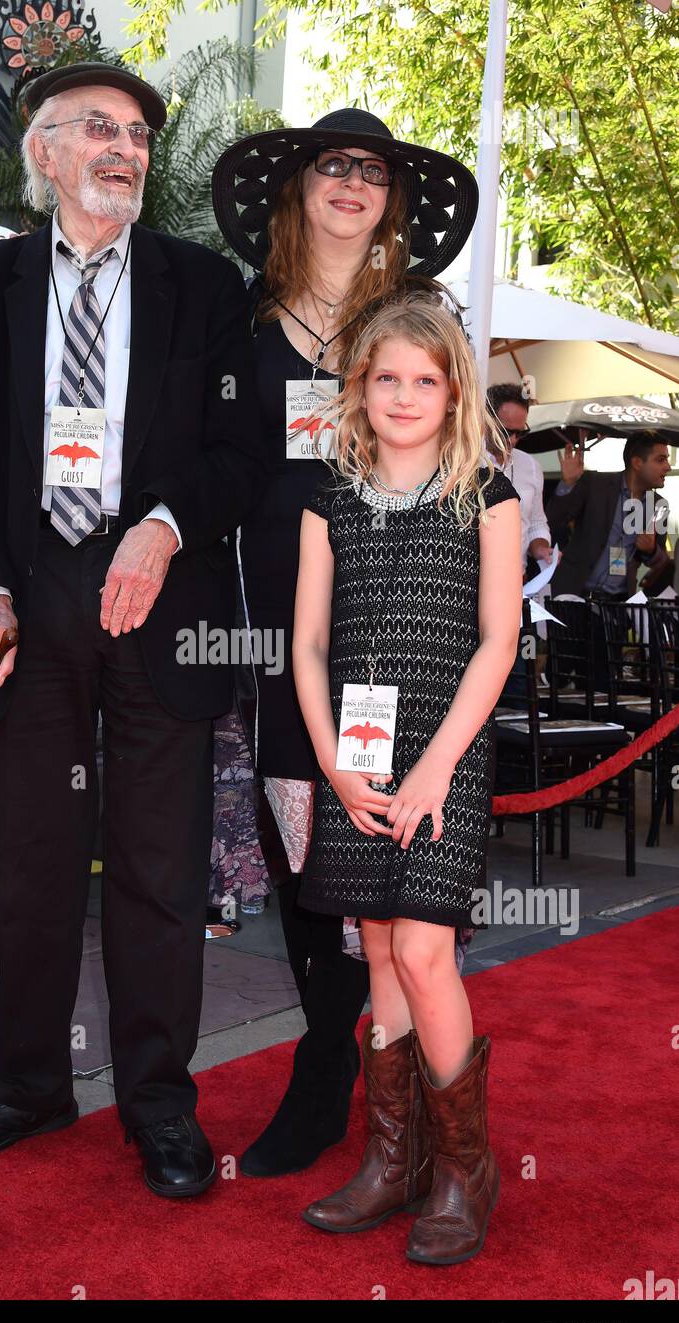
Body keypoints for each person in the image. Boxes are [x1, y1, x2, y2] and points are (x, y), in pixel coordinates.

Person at [0, 62, 264, 1197]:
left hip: (156, 596)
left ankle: (159, 1099)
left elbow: (240, 453)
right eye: (99, 130)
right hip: (27, 603)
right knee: (32, 862)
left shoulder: (201, 286)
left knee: (159, 873)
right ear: (46, 152)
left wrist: (163, 528)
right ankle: (28, 1082)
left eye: (138, 135)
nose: (125, 149)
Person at [210, 108, 479, 1176]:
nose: (351, 182)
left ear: (389, 199)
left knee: (381, 872)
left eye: (371, 169)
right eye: (332, 163)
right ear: (298, 187)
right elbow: (216, 464)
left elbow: (469, 462)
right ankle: (326, 1071)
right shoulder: (243, 323)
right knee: (301, 855)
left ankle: (384, 1103)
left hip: (393, 631)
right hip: (284, 632)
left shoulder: (417, 317)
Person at [293, 297, 521, 1263]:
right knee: (379, 952)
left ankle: (466, 1171)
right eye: (385, 376)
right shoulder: (328, 492)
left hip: (449, 752)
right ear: (359, 387)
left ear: (453, 390)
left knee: (426, 952)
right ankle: (394, 1161)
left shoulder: (489, 490)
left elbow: (498, 642)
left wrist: (435, 765)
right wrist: (334, 763)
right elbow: (304, 644)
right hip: (359, 753)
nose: (403, 394)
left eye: (424, 379)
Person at [546, 432, 670, 688]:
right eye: (660, 459)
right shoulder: (597, 484)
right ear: (637, 462)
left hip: (613, 607)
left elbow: (658, 562)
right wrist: (568, 485)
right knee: (560, 675)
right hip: (575, 596)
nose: (667, 466)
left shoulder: (656, 504)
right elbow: (554, 520)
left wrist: (650, 549)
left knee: (600, 683)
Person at [486, 382, 552, 578]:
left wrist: (540, 547)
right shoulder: (464, 461)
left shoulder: (530, 466)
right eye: (506, 431)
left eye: (520, 433)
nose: (513, 440)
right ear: (486, 420)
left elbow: (536, 523)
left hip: (516, 580)